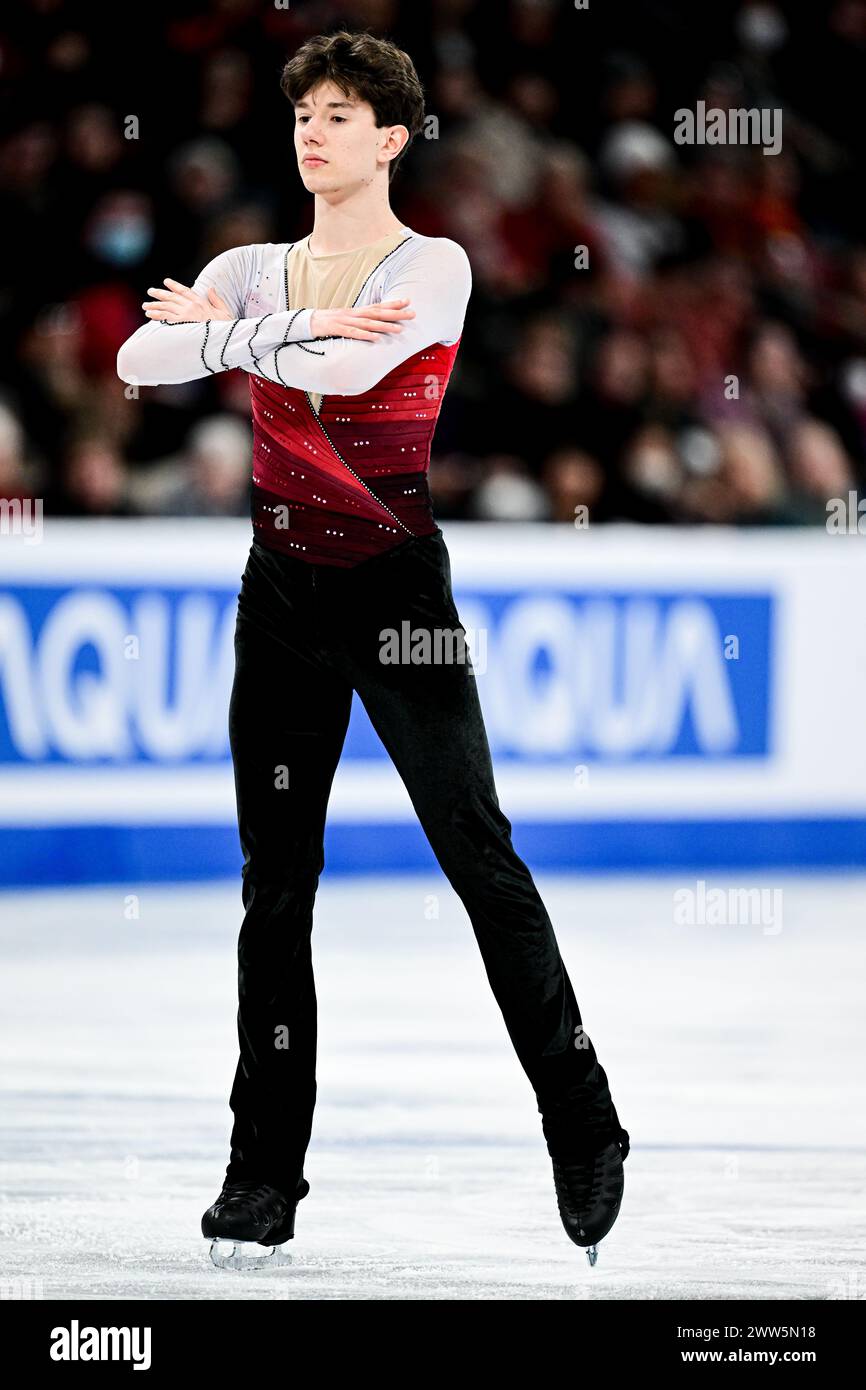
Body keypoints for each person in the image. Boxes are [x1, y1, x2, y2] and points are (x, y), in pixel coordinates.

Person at [116, 28, 629, 1270]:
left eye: (341, 114)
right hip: (279, 591)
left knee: (474, 849)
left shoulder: (433, 263)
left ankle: (581, 1116)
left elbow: (356, 373)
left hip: (394, 589)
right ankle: (260, 1174)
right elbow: (139, 359)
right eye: (305, 110)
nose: (313, 130)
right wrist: (255, 333)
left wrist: (226, 338)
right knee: (272, 884)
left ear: (391, 139)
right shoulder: (254, 261)